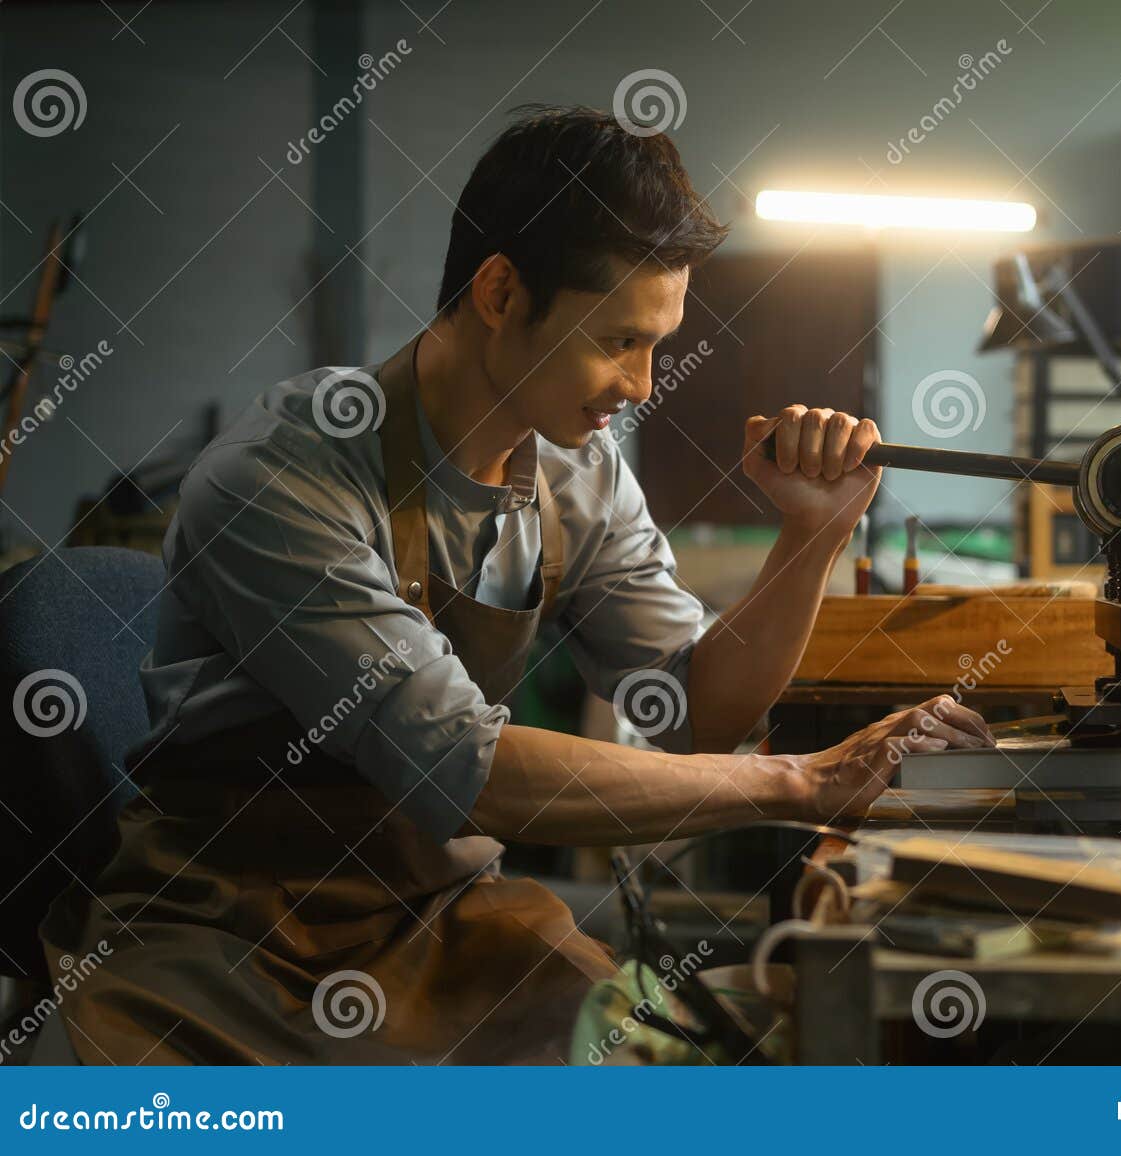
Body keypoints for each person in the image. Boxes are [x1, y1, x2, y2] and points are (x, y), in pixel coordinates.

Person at [39, 105, 992, 1064]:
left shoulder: (577, 471)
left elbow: (691, 714)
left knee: (672, 1068)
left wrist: (812, 535)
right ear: (499, 292)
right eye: (621, 340)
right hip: (227, 938)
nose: (645, 383)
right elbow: (467, 770)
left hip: (437, 914)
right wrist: (800, 781)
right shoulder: (278, 481)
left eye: (659, 342)